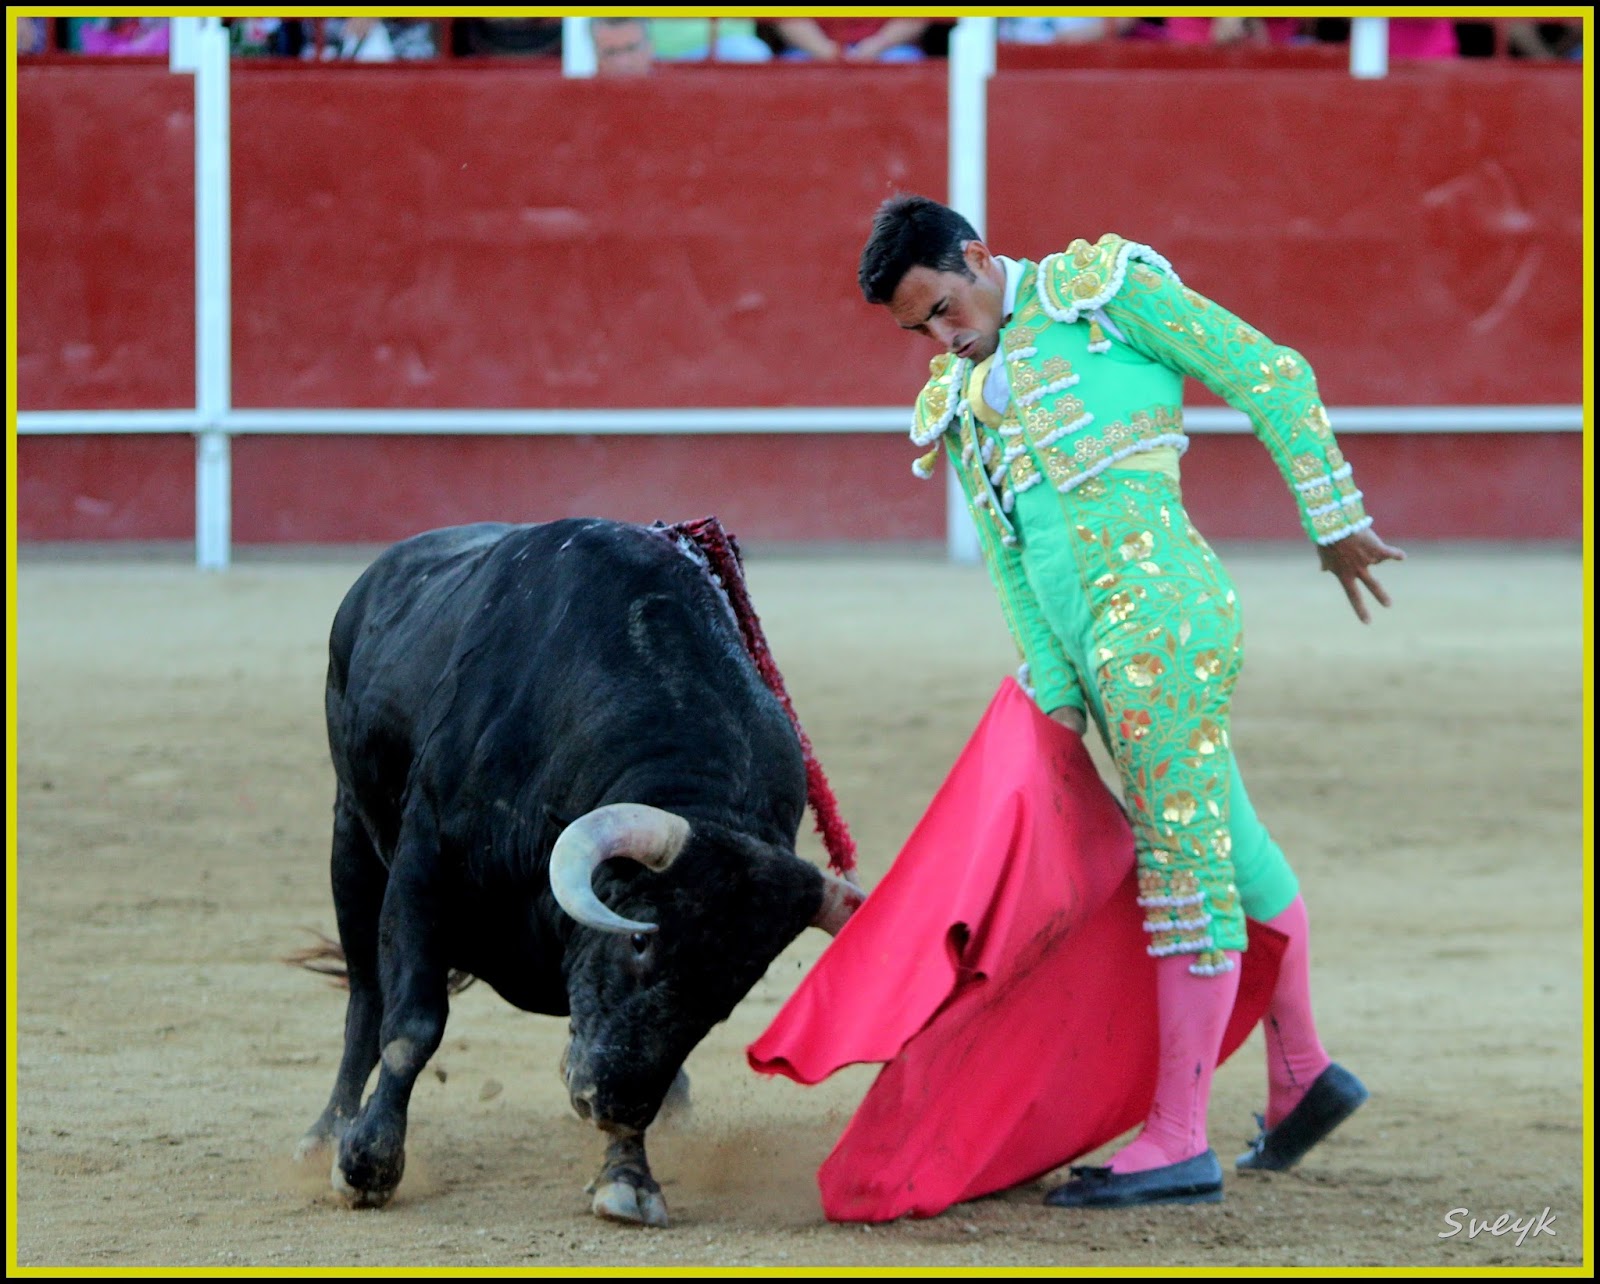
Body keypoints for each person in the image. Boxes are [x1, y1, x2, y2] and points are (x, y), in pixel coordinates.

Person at [857, 195, 1401, 1208]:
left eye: (943, 308)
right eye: (919, 329)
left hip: (1162, 620)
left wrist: (1333, 516)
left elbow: (1269, 371)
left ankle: (1177, 1137)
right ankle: (1301, 1073)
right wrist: (1056, 697)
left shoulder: (1105, 296)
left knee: (1180, 861)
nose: (942, 336)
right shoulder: (960, 396)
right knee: (1222, 840)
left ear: (976, 257)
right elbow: (1013, 567)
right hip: (1096, 657)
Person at [773, 17, 931, 62]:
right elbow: (786, 17)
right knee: (792, 65)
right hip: (811, 50)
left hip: (887, 49)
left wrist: (876, 46)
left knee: (903, 61)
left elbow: (917, 17)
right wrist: (826, 51)